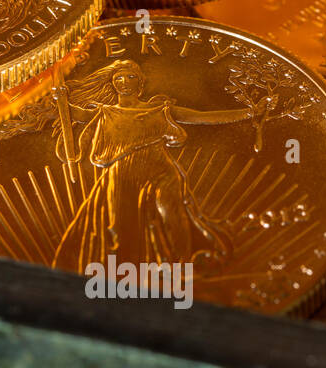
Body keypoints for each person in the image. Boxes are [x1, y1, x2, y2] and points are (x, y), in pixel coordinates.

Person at [54, 59, 261, 271]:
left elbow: (202, 117)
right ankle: (125, 273)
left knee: (171, 213)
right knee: (120, 226)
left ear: (141, 83)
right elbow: (73, 114)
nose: (125, 81)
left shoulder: (160, 110)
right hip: (121, 173)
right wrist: (61, 98)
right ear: (113, 84)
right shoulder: (105, 113)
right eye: (119, 78)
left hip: (160, 169)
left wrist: (249, 113)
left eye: (131, 77)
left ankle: (181, 265)